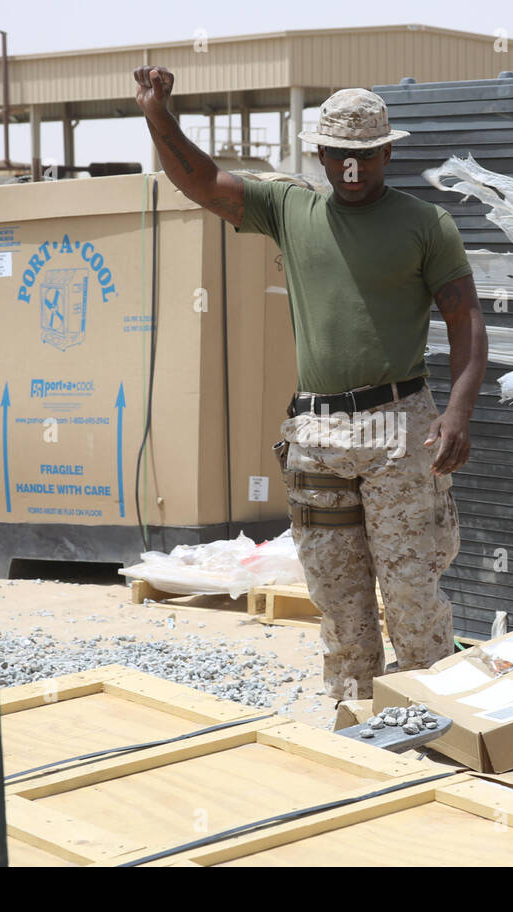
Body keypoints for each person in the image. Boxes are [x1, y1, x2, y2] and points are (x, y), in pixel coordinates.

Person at [134, 67, 488, 701]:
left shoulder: (425, 225)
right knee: (338, 595)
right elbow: (201, 182)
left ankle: (439, 724)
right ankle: (357, 722)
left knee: (410, 590)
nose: (351, 169)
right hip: (319, 432)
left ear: (387, 152)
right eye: (338, 156)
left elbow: (465, 319)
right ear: (320, 154)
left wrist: (457, 413)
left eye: (363, 156)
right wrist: (159, 115)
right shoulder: (289, 207)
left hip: (399, 427)